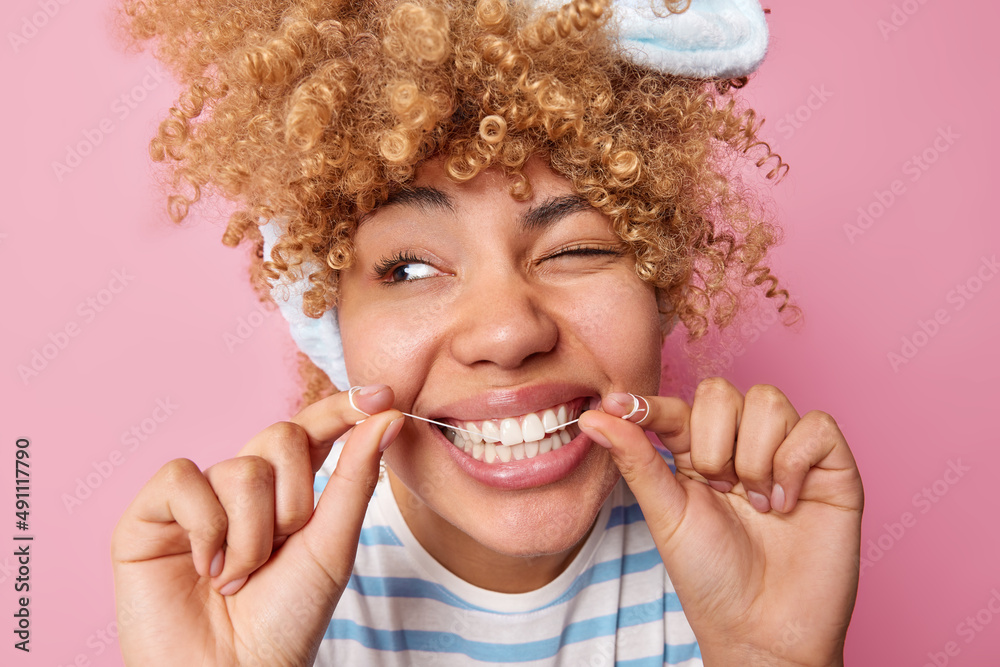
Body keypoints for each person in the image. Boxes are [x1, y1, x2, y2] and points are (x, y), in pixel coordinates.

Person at [110, 0, 865, 664]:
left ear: (659, 281)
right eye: (408, 269)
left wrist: (773, 658)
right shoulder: (251, 583)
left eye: (576, 248)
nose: (507, 332)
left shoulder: (740, 555)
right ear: (328, 317)